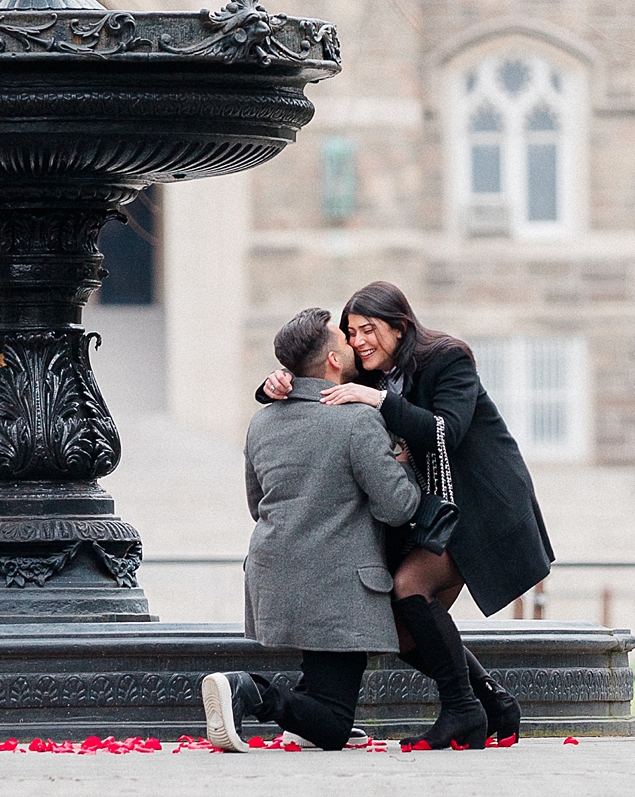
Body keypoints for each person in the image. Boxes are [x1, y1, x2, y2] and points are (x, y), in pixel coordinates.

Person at [259, 280, 553, 749]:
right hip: (434, 512)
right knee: (400, 629)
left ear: (400, 326)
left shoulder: (448, 359)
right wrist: (276, 382)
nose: (358, 342)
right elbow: (321, 375)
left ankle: (463, 712)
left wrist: (380, 402)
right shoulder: (373, 375)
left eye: (368, 329)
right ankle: (491, 702)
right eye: (351, 332)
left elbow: (446, 432)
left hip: (481, 507)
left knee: (408, 587)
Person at [202, 307, 420, 753]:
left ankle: (297, 712)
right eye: (345, 338)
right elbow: (398, 507)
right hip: (339, 587)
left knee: (323, 704)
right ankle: (250, 691)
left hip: (275, 575)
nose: (354, 342)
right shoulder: (356, 419)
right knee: (335, 725)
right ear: (334, 361)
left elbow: (255, 503)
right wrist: (402, 459)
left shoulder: (262, 420)